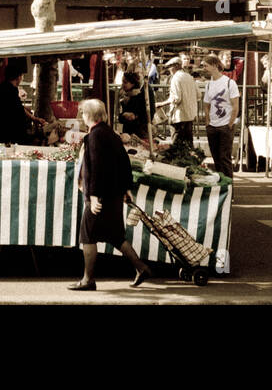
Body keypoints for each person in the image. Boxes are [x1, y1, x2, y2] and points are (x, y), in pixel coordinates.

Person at [69, 98, 152, 291]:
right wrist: (126, 189)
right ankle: (141, 267)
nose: (82, 116)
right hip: (113, 194)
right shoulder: (111, 134)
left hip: (101, 196)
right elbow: (124, 164)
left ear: (89, 115)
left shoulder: (96, 136)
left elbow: (96, 168)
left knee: (87, 235)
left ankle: (88, 279)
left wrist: (94, 196)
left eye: (83, 113)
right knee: (115, 236)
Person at [202, 54, 239, 179]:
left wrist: (230, 123)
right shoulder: (208, 84)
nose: (204, 68)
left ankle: (229, 189)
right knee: (216, 159)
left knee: (225, 158)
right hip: (212, 126)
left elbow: (235, 106)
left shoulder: (230, 83)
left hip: (225, 126)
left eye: (205, 65)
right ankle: (221, 187)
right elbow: (206, 104)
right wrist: (207, 121)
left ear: (214, 65)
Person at [0, 60, 36, 145]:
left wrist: (33, 117)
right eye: (22, 76)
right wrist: (34, 118)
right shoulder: (10, 89)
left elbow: (18, 105)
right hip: (11, 128)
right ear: (19, 77)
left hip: (3, 126)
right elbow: (18, 108)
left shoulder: (3, 87)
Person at [161, 55, 197, 147]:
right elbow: (199, 95)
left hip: (179, 117)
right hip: (189, 116)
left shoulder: (176, 78)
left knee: (176, 146)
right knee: (189, 145)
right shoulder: (189, 77)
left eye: (170, 68)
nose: (169, 70)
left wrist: (161, 104)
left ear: (175, 67)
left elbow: (176, 98)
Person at [118, 72, 149, 138]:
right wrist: (123, 115)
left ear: (132, 84)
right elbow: (119, 114)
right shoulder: (123, 95)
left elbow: (144, 114)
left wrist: (135, 116)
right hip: (126, 130)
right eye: (122, 82)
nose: (123, 85)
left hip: (138, 131)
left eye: (125, 82)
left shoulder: (140, 96)